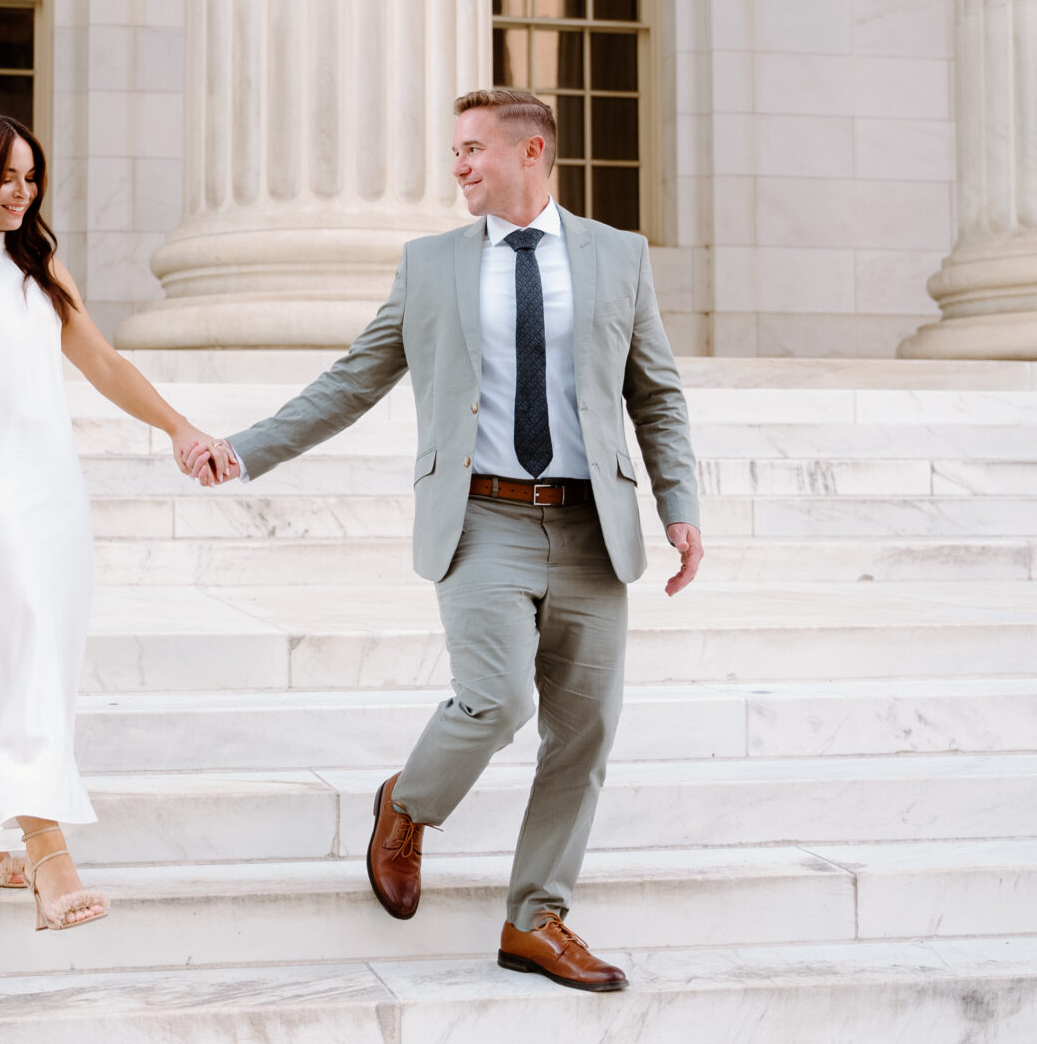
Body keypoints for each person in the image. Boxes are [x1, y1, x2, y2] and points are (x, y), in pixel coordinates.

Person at [191, 89, 703, 990]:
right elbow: (353, 380)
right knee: (497, 699)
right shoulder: (430, 266)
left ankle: (536, 922)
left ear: (531, 151)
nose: (458, 165)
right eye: (456, 150)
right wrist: (245, 449)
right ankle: (409, 805)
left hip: (592, 525)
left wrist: (679, 502)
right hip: (484, 518)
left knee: (583, 735)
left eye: (472, 149)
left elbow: (653, 392)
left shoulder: (619, 257)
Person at [0, 112, 221, 932]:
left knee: (38, 652)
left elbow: (99, 360)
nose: (23, 192)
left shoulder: (39, 262)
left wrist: (178, 427)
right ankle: (48, 851)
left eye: (32, 177)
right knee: (7, 634)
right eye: (6, 177)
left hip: (50, 486)